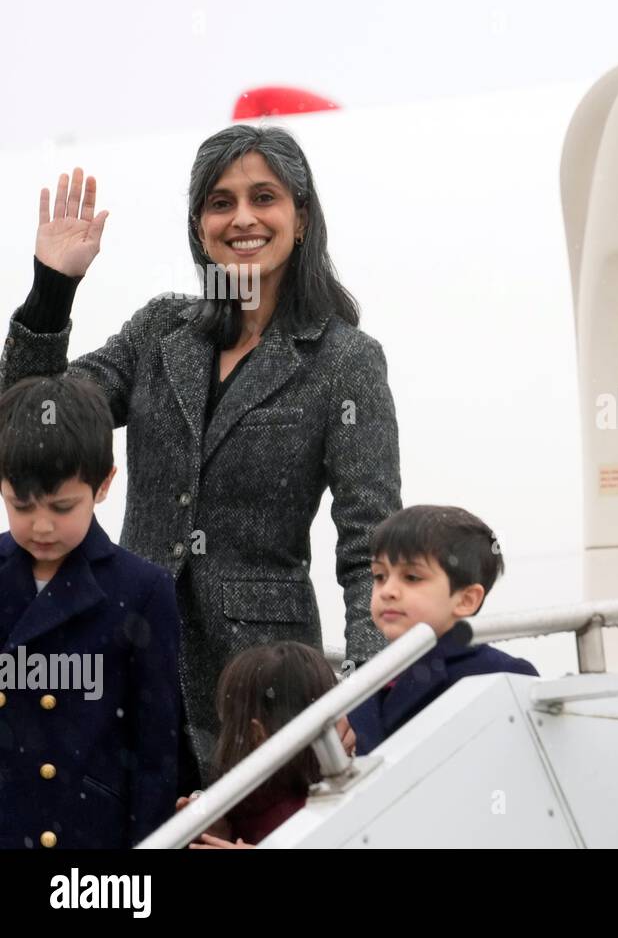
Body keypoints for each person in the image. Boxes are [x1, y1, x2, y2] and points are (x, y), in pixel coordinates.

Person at [0, 125, 403, 785]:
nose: (242, 217)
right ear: (199, 226)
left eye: (263, 197)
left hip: (267, 694)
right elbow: (32, 427)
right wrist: (52, 291)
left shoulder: (345, 361)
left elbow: (370, 545)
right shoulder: (161, 330)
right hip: (129, 660)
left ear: (300, 218)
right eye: (220, 202)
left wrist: (365, 686)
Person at [0, 375, 180, 848]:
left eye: (62, 507)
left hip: (83, 840)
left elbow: (155, 751)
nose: (41, 526)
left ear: (103, 485)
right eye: (21, 505)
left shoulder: (143, 589)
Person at [351, 505, 537, 755]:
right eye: (380, 576)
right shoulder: (362, 685)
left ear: (466, 600)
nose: (388, 591)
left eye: (412, 577)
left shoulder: (500, 677)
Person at [180, 641, 339, 848]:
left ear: (257, 735)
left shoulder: (285, 817)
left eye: (227, 723)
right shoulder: (335, 805)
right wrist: (219, 833)